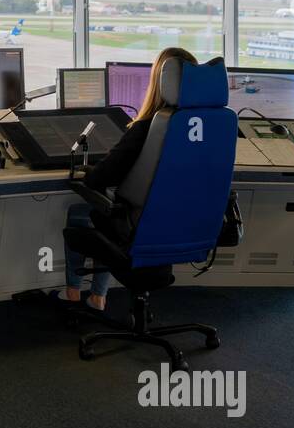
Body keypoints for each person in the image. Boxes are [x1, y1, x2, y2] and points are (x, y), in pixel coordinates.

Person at [59, 47, 199, 311]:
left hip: (141, 225)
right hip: (186, 224)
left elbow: (99, 180)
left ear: (159, 81)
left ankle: (76, 291)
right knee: (113, 213)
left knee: (83, 211)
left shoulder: (150, 126)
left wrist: (90, 171)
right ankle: (98, 296)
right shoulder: (212, 127)